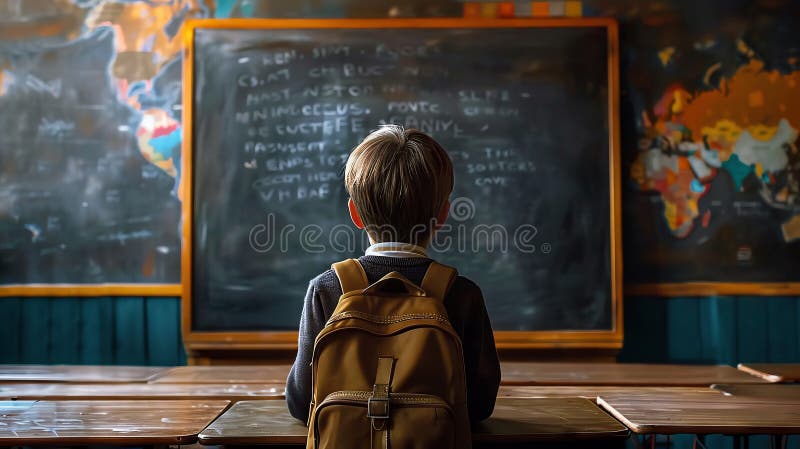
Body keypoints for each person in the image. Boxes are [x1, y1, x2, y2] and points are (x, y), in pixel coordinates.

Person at [286, 124, 501, 424]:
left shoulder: (327, 288)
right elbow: (479, 404)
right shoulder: (462, 294)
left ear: (355, 214)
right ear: (442, 215)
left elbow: (300, 402)